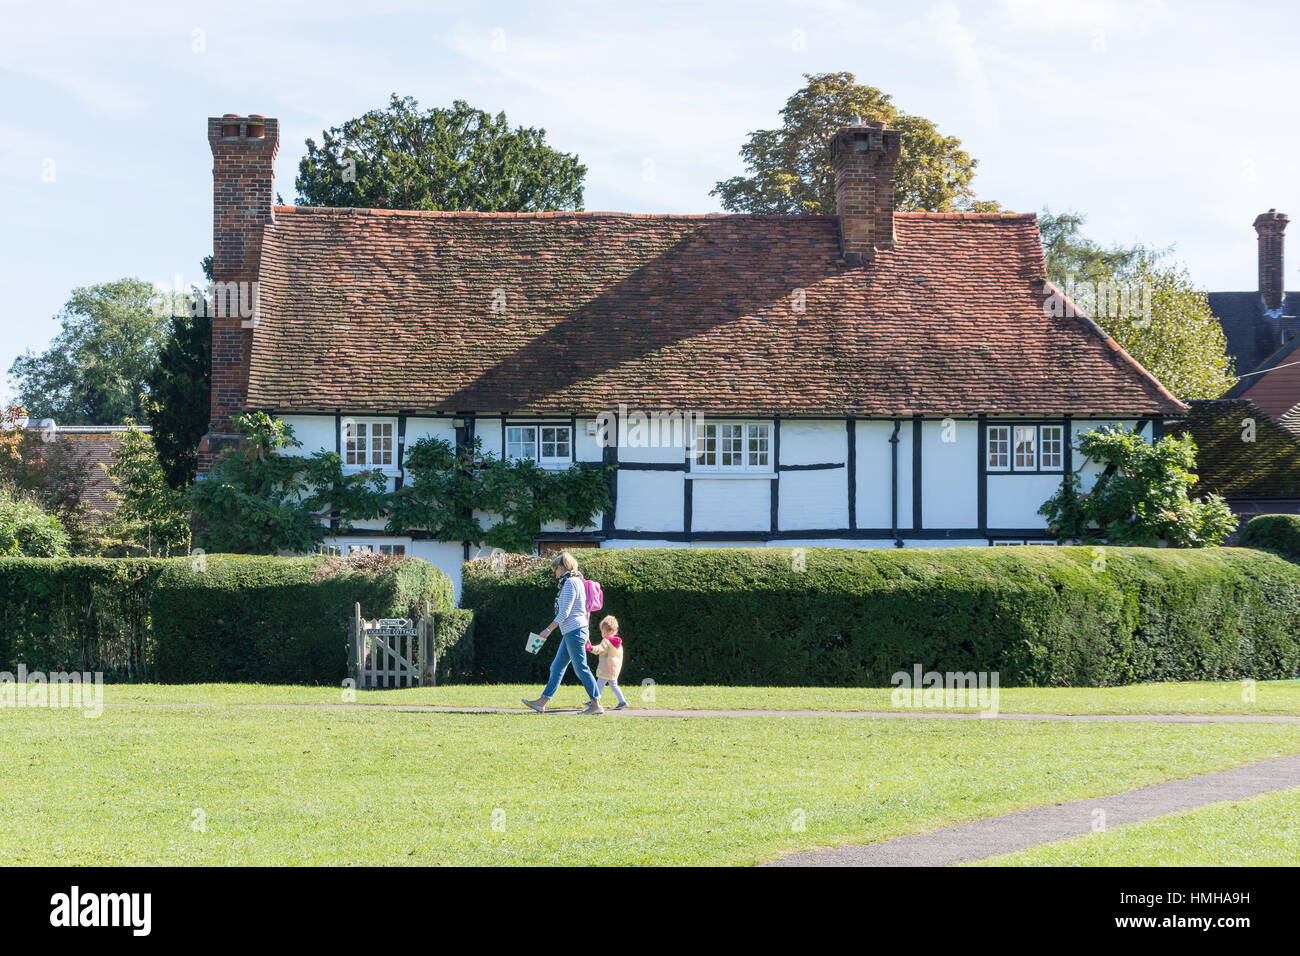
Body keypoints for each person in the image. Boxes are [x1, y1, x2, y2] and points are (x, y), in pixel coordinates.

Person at [522, 552, 604, 715]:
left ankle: (596, 704)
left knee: (581, 668)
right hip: (572, 631)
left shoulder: (569, 583)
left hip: (574, 631)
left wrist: (548, 630)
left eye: (555, 569)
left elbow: (564, 612)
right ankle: (542, 702)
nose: (555, 573)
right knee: (557, 666)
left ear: (561, 567)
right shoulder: (577, 581)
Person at [586, 615, 628, 710]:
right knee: (613, 685)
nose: (603, 634)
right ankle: (622, 701)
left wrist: (591, 648)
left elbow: (600, 649)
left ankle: (594, 701)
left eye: (604, 632)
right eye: (603, 632)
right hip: (614, 669)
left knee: (599, 685)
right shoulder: (618, 644)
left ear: (611, 632)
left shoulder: (606, 641)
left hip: (605, 669)